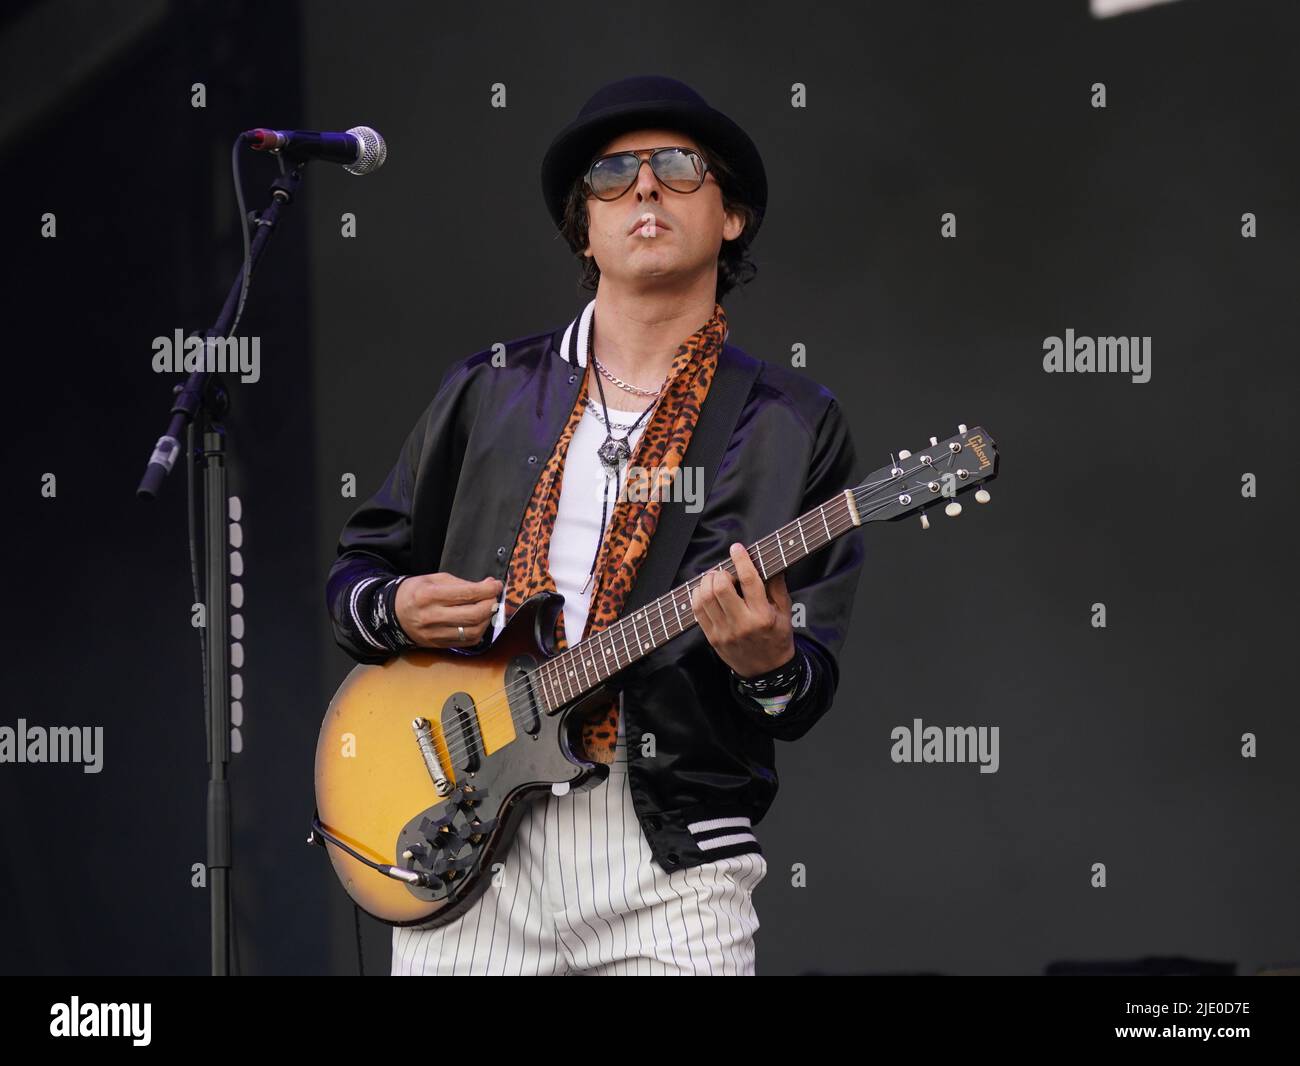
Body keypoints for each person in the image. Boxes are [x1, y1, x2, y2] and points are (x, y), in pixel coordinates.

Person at [326, 74, 865, 975]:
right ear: (585, 227)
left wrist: (768, 663)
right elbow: (354, 582)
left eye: (676, 167)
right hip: (467, 846)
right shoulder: (490, 388)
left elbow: (802, 693)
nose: (643, 187)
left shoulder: (789, 421)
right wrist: (400, 607)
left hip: (670, 860)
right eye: (611, 176)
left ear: (732, 216)